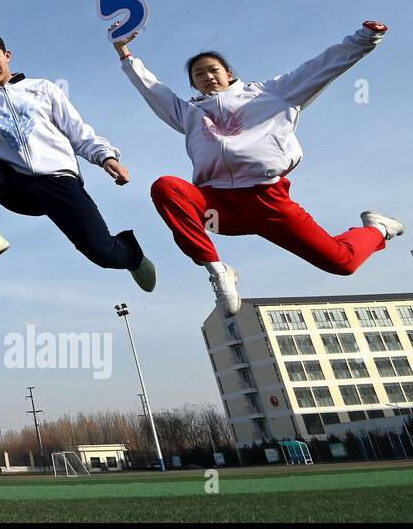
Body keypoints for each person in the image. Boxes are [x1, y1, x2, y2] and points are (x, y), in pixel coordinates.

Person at [113, 20, 403, 315]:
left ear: (228, 73)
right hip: (217, 209)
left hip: (267, 203)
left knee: (341, 263)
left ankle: (378, 228)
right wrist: (124, 53)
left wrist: (365, 38)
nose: (208, 77)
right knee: (166, 186)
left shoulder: (271, 93)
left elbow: (319, 68)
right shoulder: (189, 113)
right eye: (199, 74)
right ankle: (218, 271)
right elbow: (153, 90)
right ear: (193, 84)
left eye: (213, 70)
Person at [0, 32, 156, 291]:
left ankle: (133, 256)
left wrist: (105, 157)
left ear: (7, 55)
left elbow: (78, 132)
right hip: (15, 183)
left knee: (102, 252)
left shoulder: (43, 89)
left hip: (58, 182)